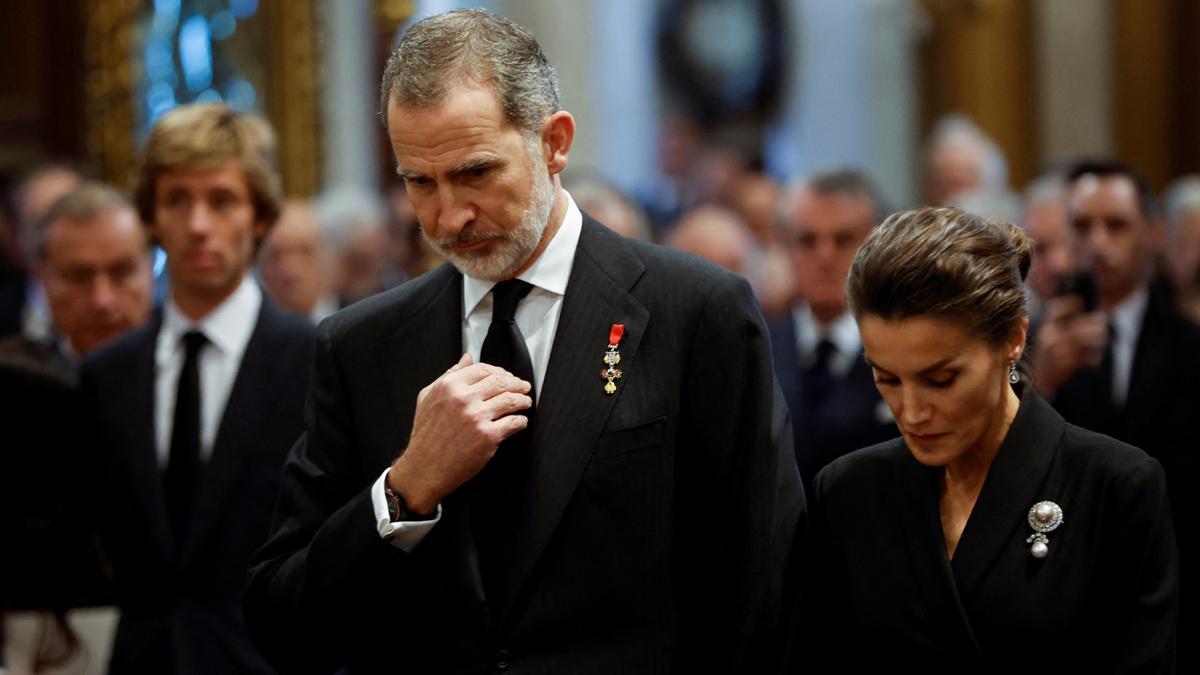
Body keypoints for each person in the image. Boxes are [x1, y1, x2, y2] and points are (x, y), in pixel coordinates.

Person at [244, 10, 802, 674]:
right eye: (420, 182)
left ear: (554, 143)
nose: (449, 216)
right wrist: (405, 488)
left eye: (475, 172)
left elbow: (763, 589)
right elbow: (283, 618)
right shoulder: (361, 345)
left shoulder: (696, 312)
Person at [799, 206, 1177, 672]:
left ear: (1013, 340)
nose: (913, 413)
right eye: (887, 379)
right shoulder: (847, 491)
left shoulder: (1114, 486)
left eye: (941, 379)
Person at [78, 103, 315, 675]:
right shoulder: (107, 373)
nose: (198, 224)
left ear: (259, 216)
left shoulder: (316, 359)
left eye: (221, 200)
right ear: (151, 218)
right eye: (177, 200)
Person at [1029, 160, 1200, 670]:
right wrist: (1041, 384)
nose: (1097, 242)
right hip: (1064, 584)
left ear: (1152, 234)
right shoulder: (1030, 340)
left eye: (1116, 225)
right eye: (1082, 226)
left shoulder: (1189, 344)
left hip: (1175, 584)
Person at [768, 169, 896, 487]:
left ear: (876, 245)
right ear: (786, 247)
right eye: (807, 241)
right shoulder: (759, 344)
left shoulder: (901, 348)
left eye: (843, 240)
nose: (824, 256)